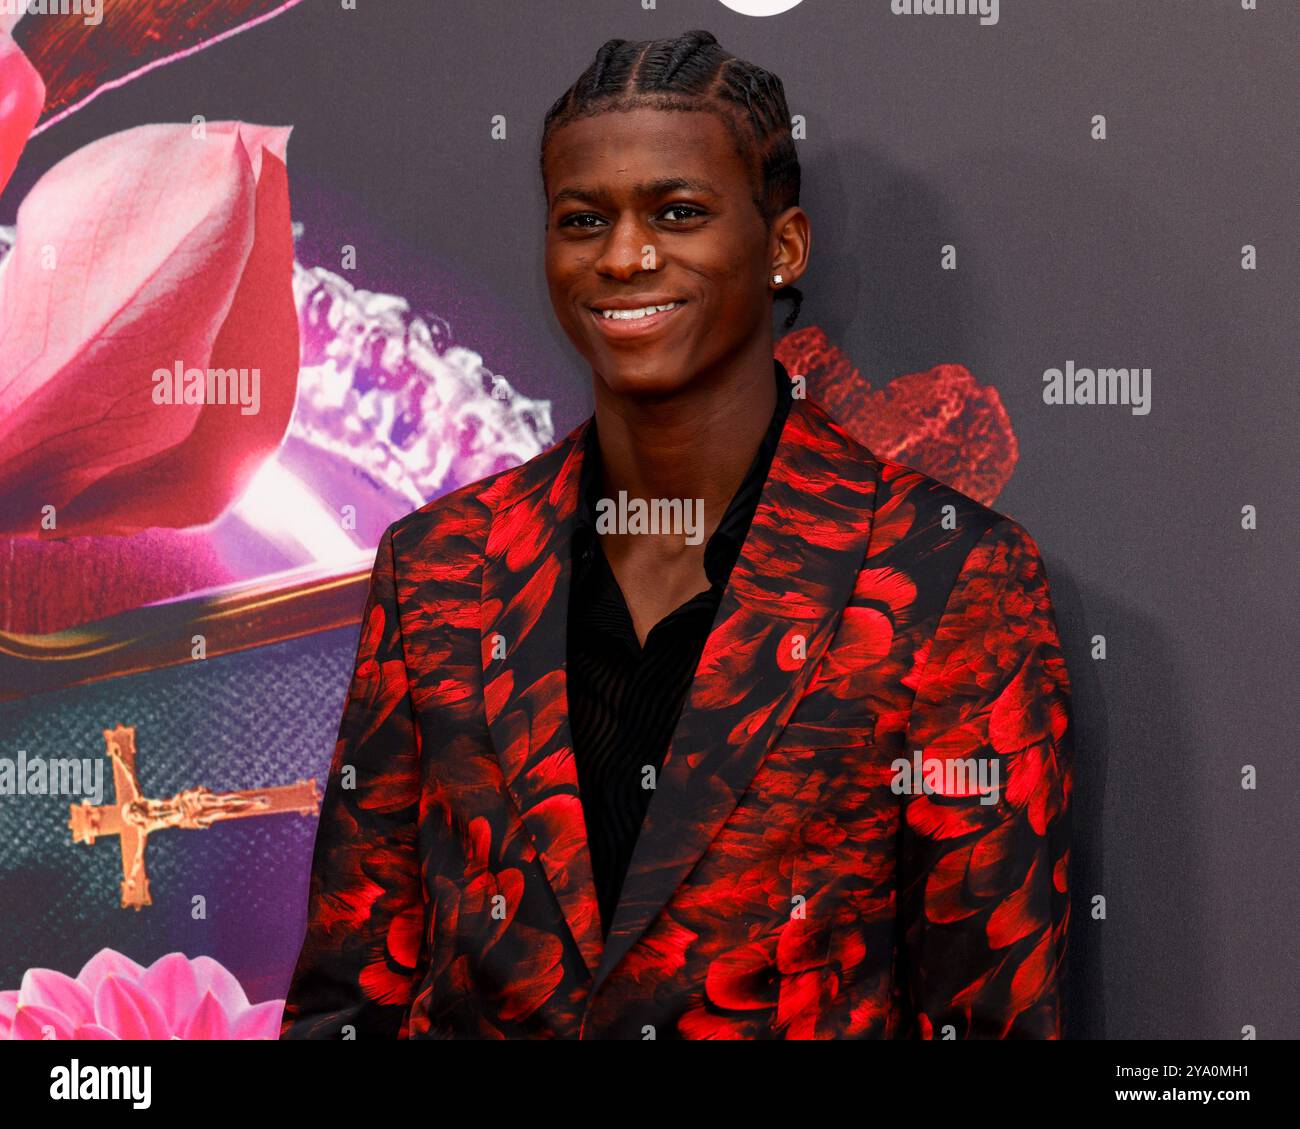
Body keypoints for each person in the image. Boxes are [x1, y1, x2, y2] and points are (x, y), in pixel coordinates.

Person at [280, 28, 1073, 1040]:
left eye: (677, 212)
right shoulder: (439, 568)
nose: (623, 256)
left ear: (782, 245)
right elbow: (349, 995)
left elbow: (991, 1016)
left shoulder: (946, 578)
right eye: (582, 219)